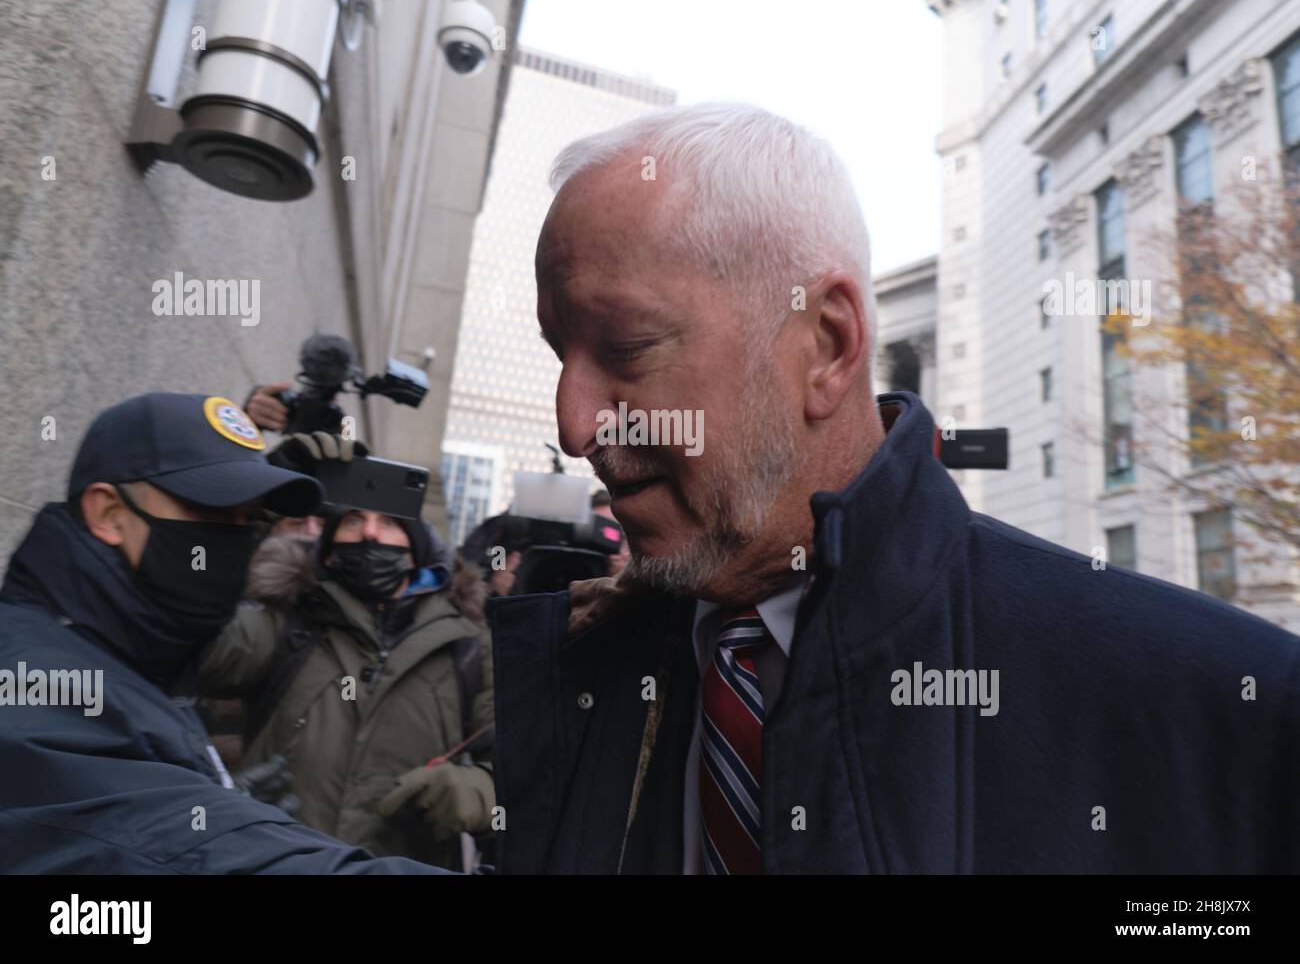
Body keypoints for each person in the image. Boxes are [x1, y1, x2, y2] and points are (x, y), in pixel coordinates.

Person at [485, 103, 1300, 874]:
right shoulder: (582, 660)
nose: (575, 423)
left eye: (627, 347)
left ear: (828, 346)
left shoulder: (1227, 718)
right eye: (563, 353)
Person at [0, 393, 447, 873]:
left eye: (248, 518)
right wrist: (216, 828)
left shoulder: (129, 644)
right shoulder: (35, 682)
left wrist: (212, 796)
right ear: (109, 513)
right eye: (210, 510)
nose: (233, 539)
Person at [199, 433, 494, 869]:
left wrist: (475, 791)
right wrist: (257, 506)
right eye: (354, 519)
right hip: (268, 863)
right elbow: (195, 637)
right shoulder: (288, 619)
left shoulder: (469, 647)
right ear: (332, 543)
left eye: (391, 522)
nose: (370, 532)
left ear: (419, 551)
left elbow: (521, 770)